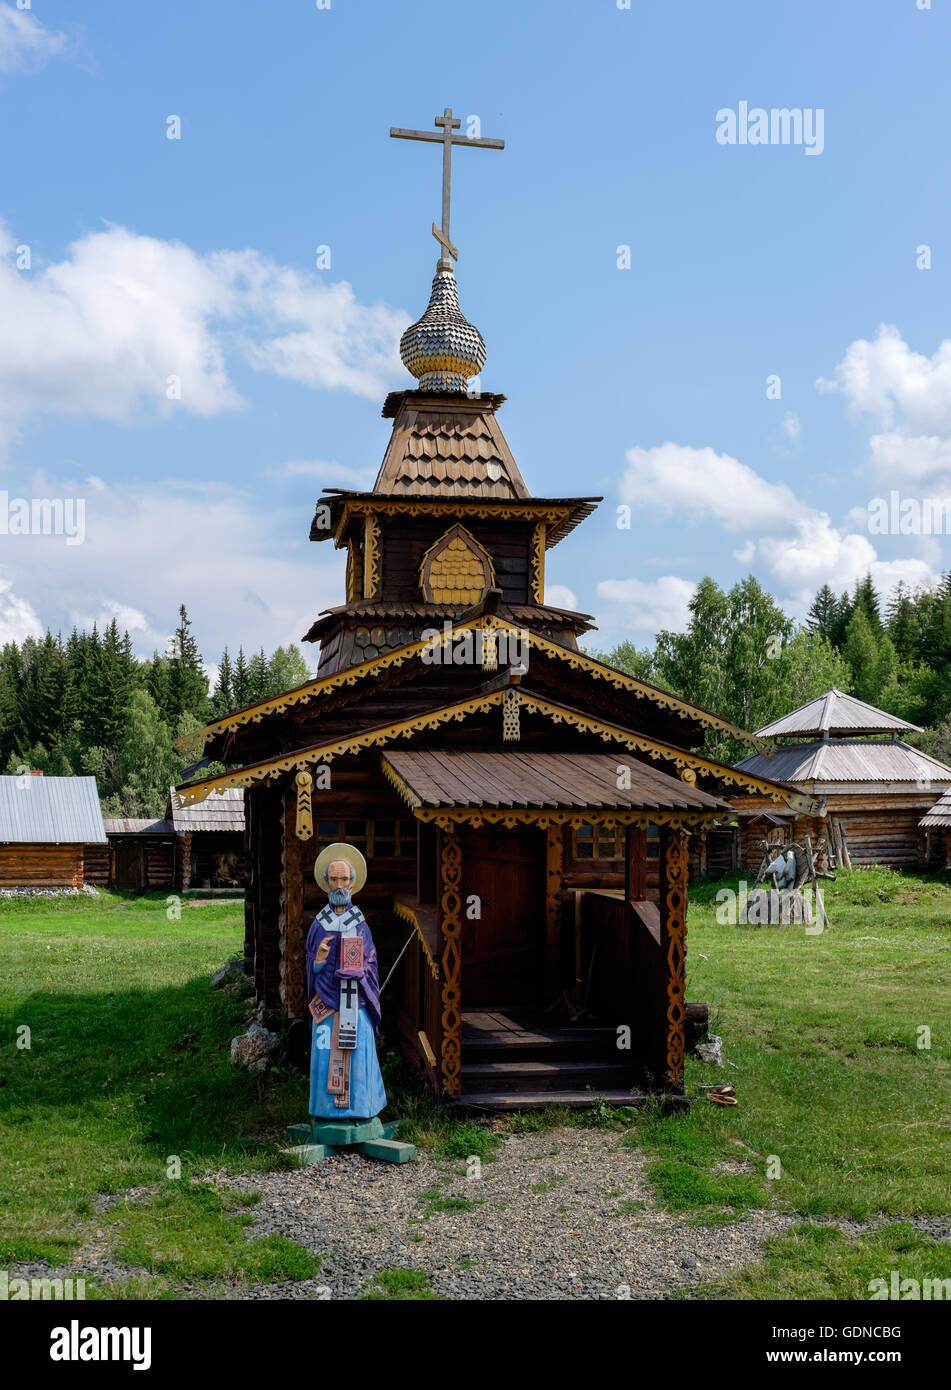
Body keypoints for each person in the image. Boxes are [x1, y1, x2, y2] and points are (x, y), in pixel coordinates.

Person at [304, 842, 386, 1120]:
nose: (339, 885)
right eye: (334, 879)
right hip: (327, 1003)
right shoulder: (319, 923)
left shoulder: (360, 922)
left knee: (360, 1050)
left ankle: (362, 1109)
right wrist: (319, 960)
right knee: (324, 1052)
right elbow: (310, 966)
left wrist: (360, 970)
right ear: (326, 882)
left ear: (353, 883)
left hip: (356, 1000)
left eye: (344, 879)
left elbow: (372, 960)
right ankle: (326, 1112)